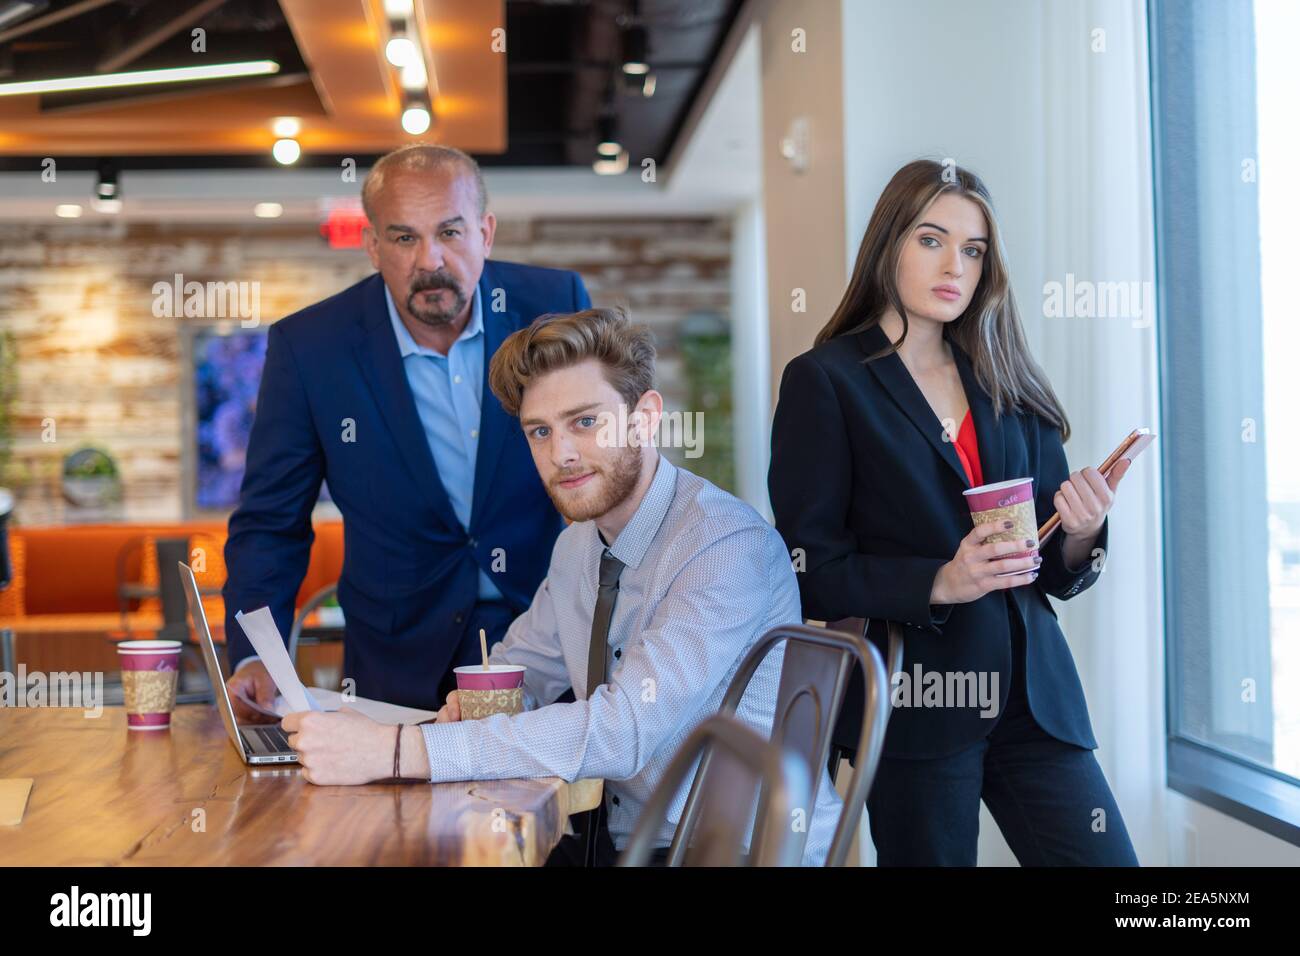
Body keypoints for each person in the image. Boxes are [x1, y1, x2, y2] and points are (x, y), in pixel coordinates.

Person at [282, 307, 842, 865]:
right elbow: (521, 668)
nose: (560, 454)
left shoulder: (723, 544)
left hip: (737, 848)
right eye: (540, 432)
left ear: (645, 418)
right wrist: (472, 706)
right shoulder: (576, 546)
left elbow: (624, 730)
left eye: (584, 422)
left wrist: (402, 750)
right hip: (624, 838)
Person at [768, 159, 1138, 866]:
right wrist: (941, 580)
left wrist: (1084, 530)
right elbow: (808, 568)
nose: (955, 265)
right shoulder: (828, 381)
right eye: (932, 240)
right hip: (917, 704)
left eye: (973, 250)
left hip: (1037, 700)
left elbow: (1055, 572)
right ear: (890, 244)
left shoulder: (1006, 374)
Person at [223, 144, 590, 716]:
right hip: (394, 662)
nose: (430, 260)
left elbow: (601, 467)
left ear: (486, 233)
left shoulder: (556, 306)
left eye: (450, 232)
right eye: (403, 238)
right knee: (393, 809)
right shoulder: (311, 347)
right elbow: (271, 521)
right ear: (372, 246)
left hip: (546, 640)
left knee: (552, 806)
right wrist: (254, 656)